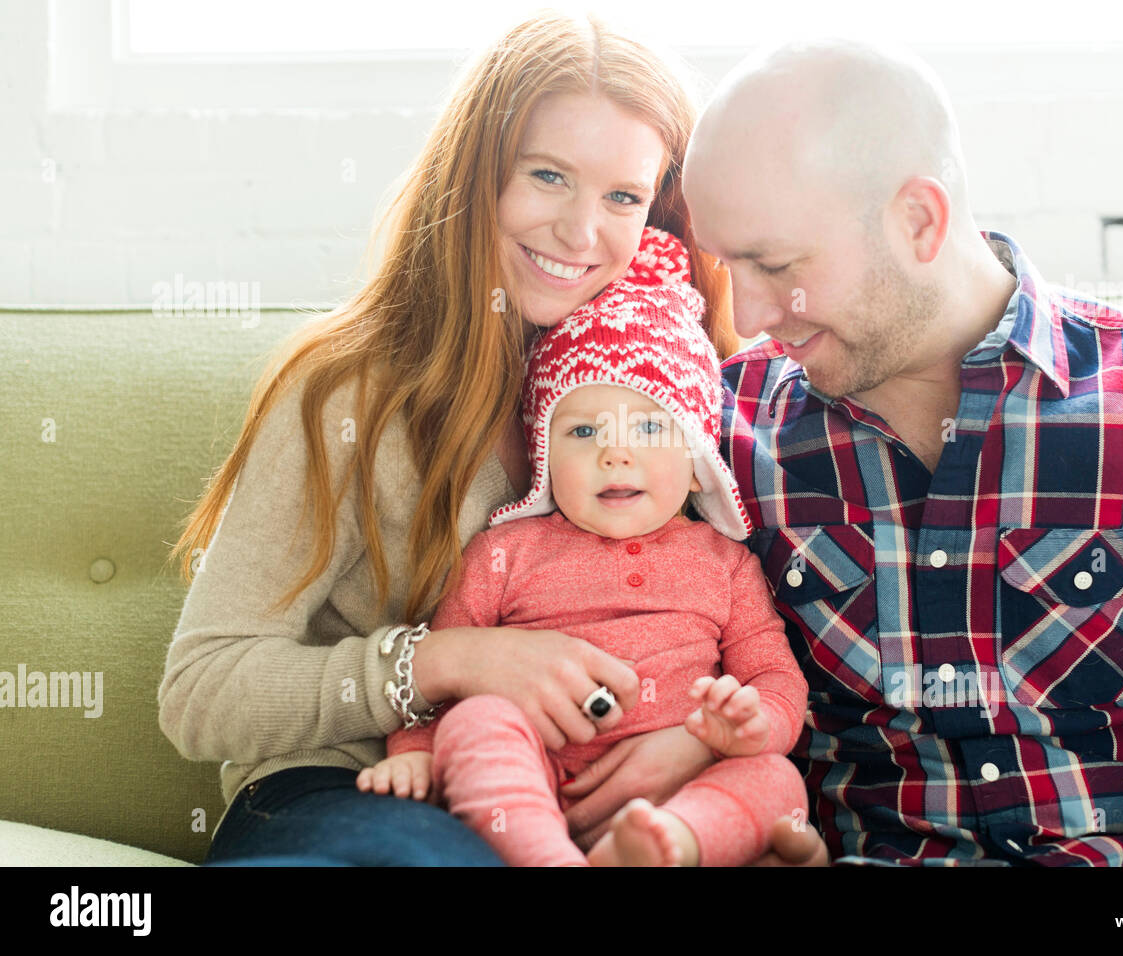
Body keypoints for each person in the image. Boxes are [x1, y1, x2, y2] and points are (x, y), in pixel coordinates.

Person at [157, 10, 824, 866]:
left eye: (623, 196)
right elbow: (200, 691)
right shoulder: (346, 392)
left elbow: (752, 655)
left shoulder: (682, 393)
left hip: (625, 795)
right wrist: (449, 663)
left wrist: (697, 745)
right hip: (355, 792)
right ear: (475, 176)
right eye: (548, 176)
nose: (581, 233)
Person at [683, 36, 1123, 865]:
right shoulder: (724, 431)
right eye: (730, 268)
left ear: (920, 220)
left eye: (774, 264)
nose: (750, 314)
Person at [355, 228, 810, 866]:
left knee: (777, 782)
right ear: (543, 450)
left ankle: (668, 847)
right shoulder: (503, 553)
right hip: (536, 777)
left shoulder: (725, 564)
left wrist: (753, 725)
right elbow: (442, 670)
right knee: (476, 724)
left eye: (650, 426)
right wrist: (414, 754)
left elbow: (773, 676)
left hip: (683, 780)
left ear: (697, 454)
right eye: (584, 429)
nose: (614, 451)